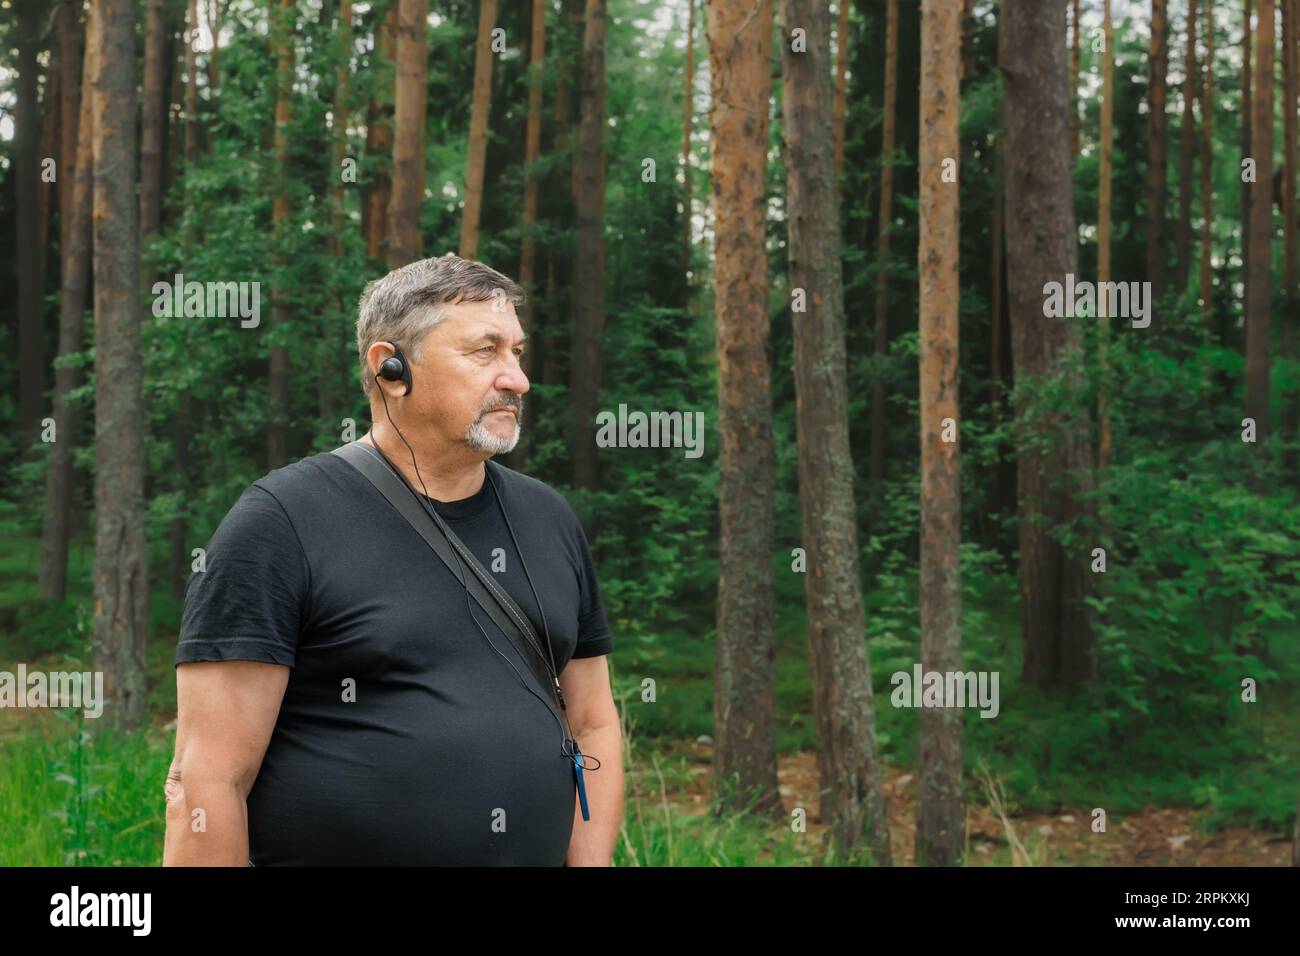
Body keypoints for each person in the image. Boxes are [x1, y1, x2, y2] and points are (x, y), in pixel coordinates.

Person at [163, 253, 622, 866]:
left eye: (517, 351)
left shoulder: (549, 518)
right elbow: (208, 779)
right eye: (485, 351)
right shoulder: (282, 521)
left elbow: (593, 723)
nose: (517, 379)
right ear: (392, 370)